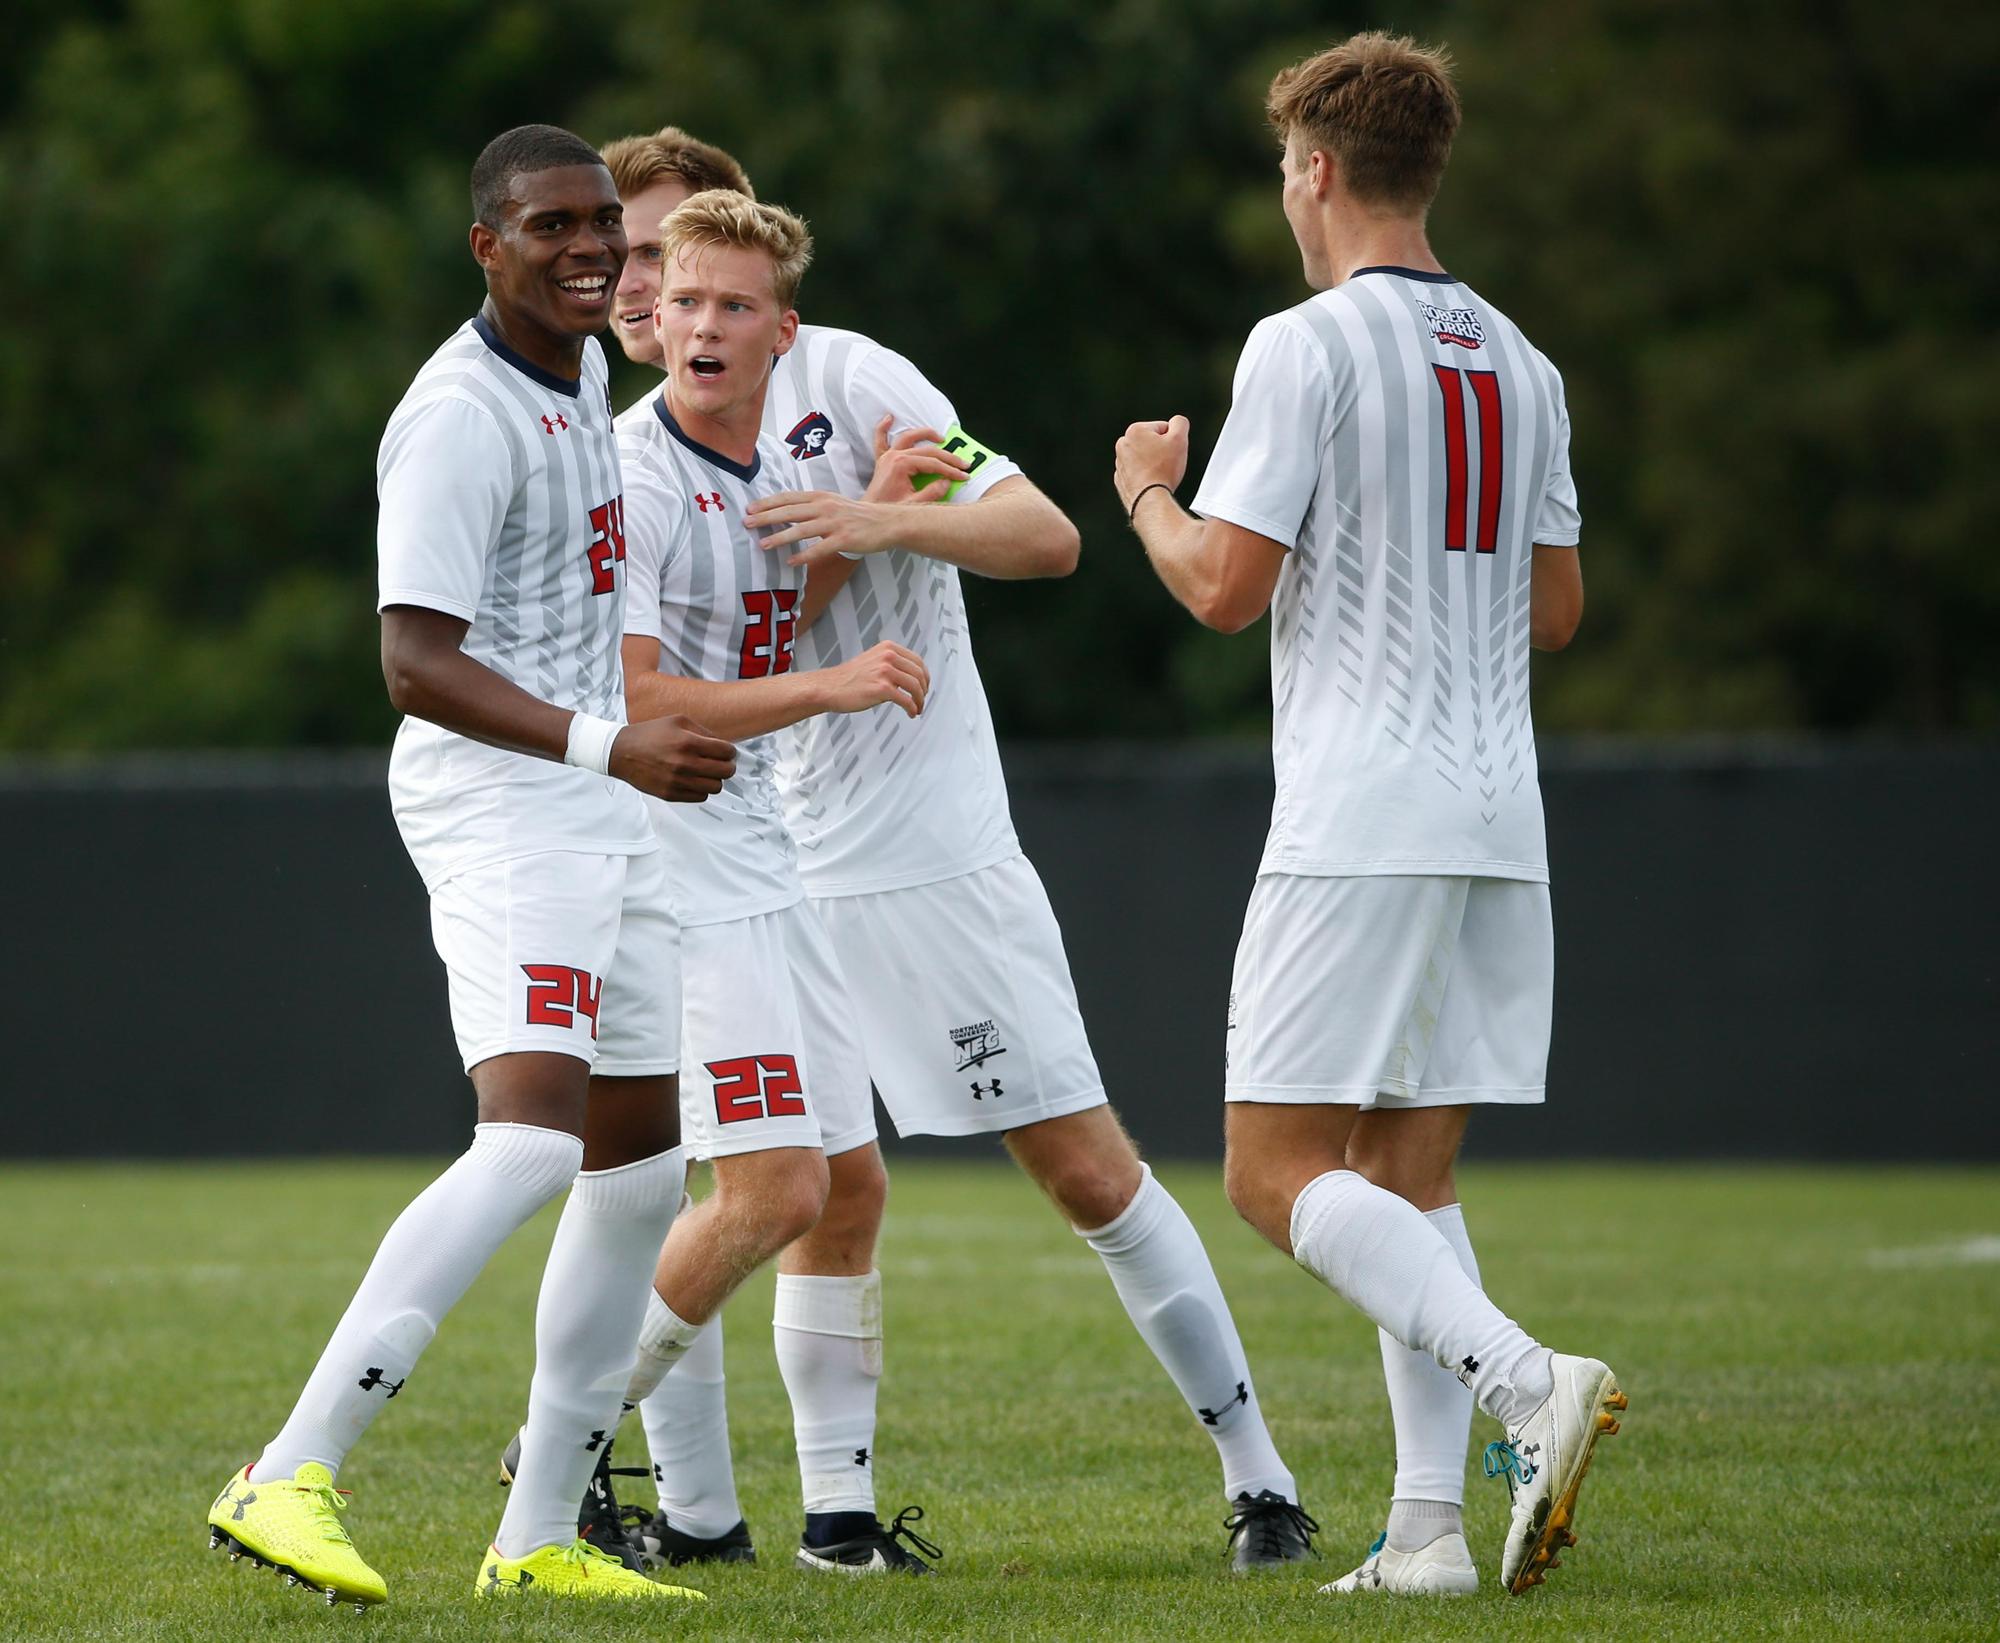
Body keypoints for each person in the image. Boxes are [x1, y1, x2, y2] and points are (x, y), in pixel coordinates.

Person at [599, 125, 1319, 1572]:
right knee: (798, 1189)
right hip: (757, 863)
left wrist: (880, 510)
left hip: (924, 847)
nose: (655, 296)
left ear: (758, 285)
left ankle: (1259, 1483)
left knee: (1082, 1168)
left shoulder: (855, 377)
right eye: (641, 272)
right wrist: (853, 552)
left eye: (686, 267)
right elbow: (701, 675)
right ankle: (803, 1517)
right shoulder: (630, 456)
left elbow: (1044, 536)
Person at [1113, 34, 1624, 1599]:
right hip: (1495, 816)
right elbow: (1556, 612)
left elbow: (1222, 587)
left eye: (1285, 167)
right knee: (1407, 1178)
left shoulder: (1305, 345)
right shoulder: (1525, 363)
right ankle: (1426, 1537)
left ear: (1317, 170)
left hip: (1361, 809)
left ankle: (1524, 1376)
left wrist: (1144, 487)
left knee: (1272, 1171)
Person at [203, 124, 733, 1608]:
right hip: (507, 807)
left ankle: (541, 1534)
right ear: (486, 245)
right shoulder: (456, 415)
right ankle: (288, 1470)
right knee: (530, 1144)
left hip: (598, 808)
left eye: (608, 230)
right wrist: (608, 748)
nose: (592, 253)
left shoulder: (579, 376)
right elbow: (413, 662)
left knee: (638, 1171)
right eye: (554, 227)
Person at [610, 185, 948, 1575]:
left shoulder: (766, 472)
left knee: (848, 1186)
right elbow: (643, 702)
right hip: (674, 859)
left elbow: (752, 647)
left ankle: (838, 1530)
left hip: (764, 851)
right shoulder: (630, 470)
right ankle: (561, 1438)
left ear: (778, 332)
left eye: (732, 305)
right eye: (682, 299)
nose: (700, 323)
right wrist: (839, 683)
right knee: (770, 1193)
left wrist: (875, 509)